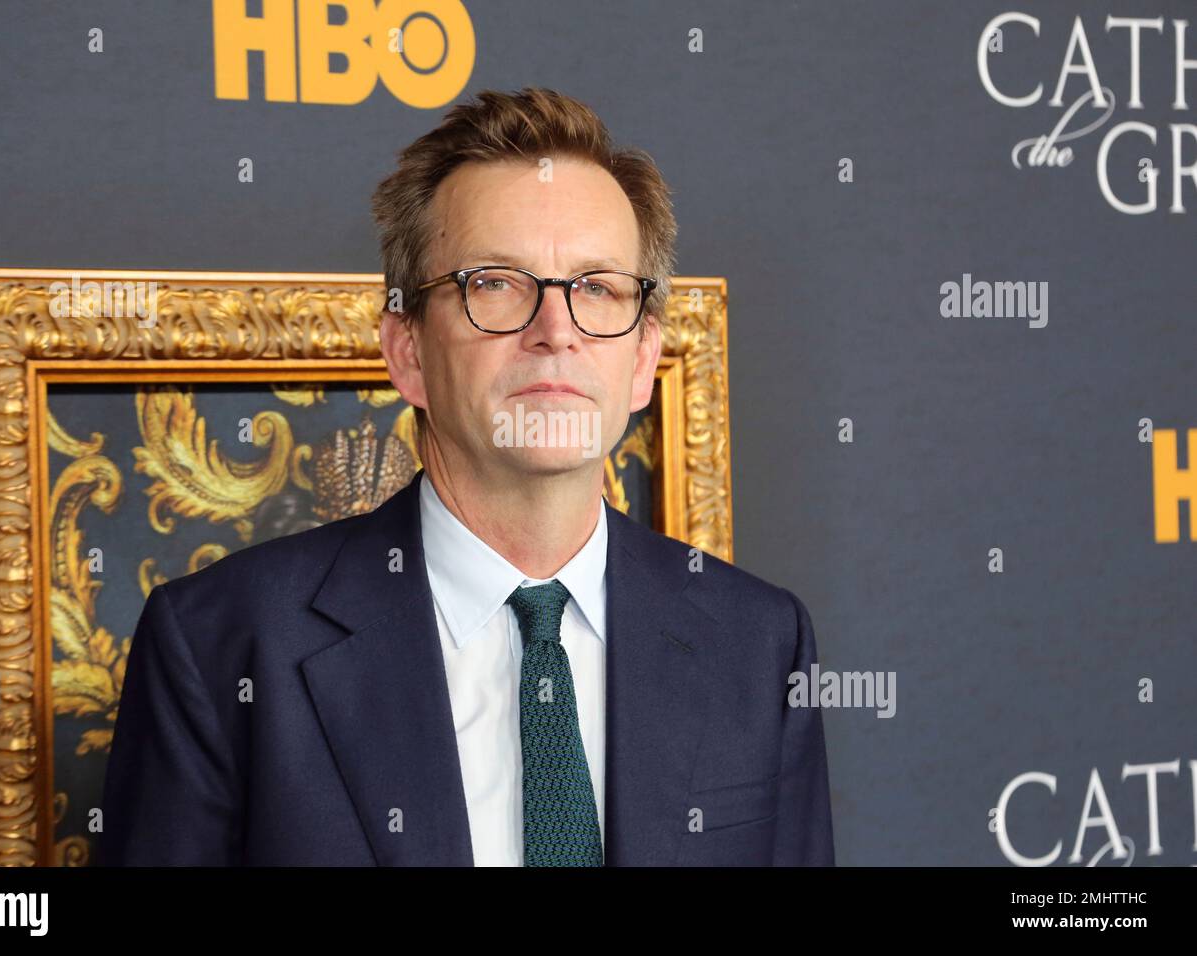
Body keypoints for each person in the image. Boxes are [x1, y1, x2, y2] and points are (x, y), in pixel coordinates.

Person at [100, 87, 834, 866]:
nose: (556, 332)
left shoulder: (759, 645)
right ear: (407, 350)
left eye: (598, 289)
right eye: (494, 284)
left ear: (645, 358)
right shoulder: (224, 643)